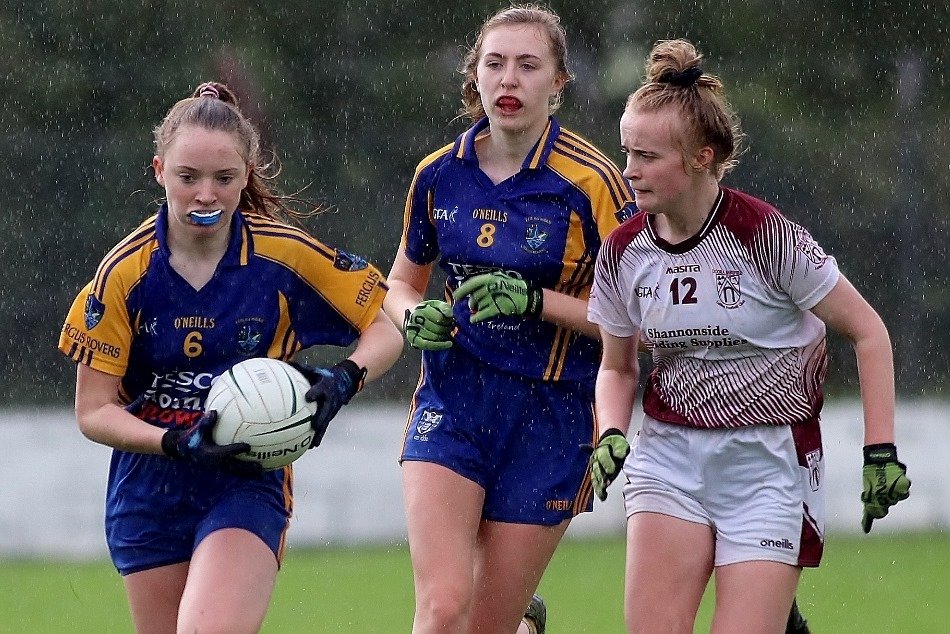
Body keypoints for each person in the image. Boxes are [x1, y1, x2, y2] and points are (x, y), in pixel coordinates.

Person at [586, 39, 911, 633]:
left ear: (703, 158)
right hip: (667, 457)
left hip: (770, 465)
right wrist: (610, 429)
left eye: (649, 156)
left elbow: (868, 331)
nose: (629, 171)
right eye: (627, 152)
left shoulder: (765, 236)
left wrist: (880, 450)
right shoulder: (623, 252)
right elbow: (618, 367)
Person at [57, 81, 403, 633]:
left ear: (247, 175)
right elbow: (93, 411)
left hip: (246, 480)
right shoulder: (123, 275)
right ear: (158, 171)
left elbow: (384, 329)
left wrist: (344, 379)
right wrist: (175, 441)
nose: (205, 195)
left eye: (224, 178)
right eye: (187, 177)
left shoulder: (282, 255)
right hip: (149, 488)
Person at [382, 5, 637, 633]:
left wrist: (536, 301)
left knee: (483, 625)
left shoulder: (593, 184)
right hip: (454, 399)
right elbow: (400, 286)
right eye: (495, 64)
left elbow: (639, 325)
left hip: (552, 416)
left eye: (528, 66)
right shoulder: (438, 174)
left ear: (559, 83)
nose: (509, 80)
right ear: (475, 78)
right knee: (442, 609)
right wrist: (415, 318)